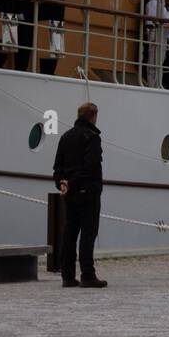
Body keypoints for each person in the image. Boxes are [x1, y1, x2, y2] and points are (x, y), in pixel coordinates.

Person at [52, 102, 106, 288]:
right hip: (88, 192)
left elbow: (57, 166)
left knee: (70, 233)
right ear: (93, 116)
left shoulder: (65, 137)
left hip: (70, 194)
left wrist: (62, 183)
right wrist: (74, 183)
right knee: (88, 234)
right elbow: (89, 167)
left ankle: (67, 276)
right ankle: (87, 274)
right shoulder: (92, 137)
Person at [38, 0, 66, 75]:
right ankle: (46, 72)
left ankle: (51, 72)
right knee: (47, 52)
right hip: (48, 22)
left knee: (55, 53)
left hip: (58, 23)